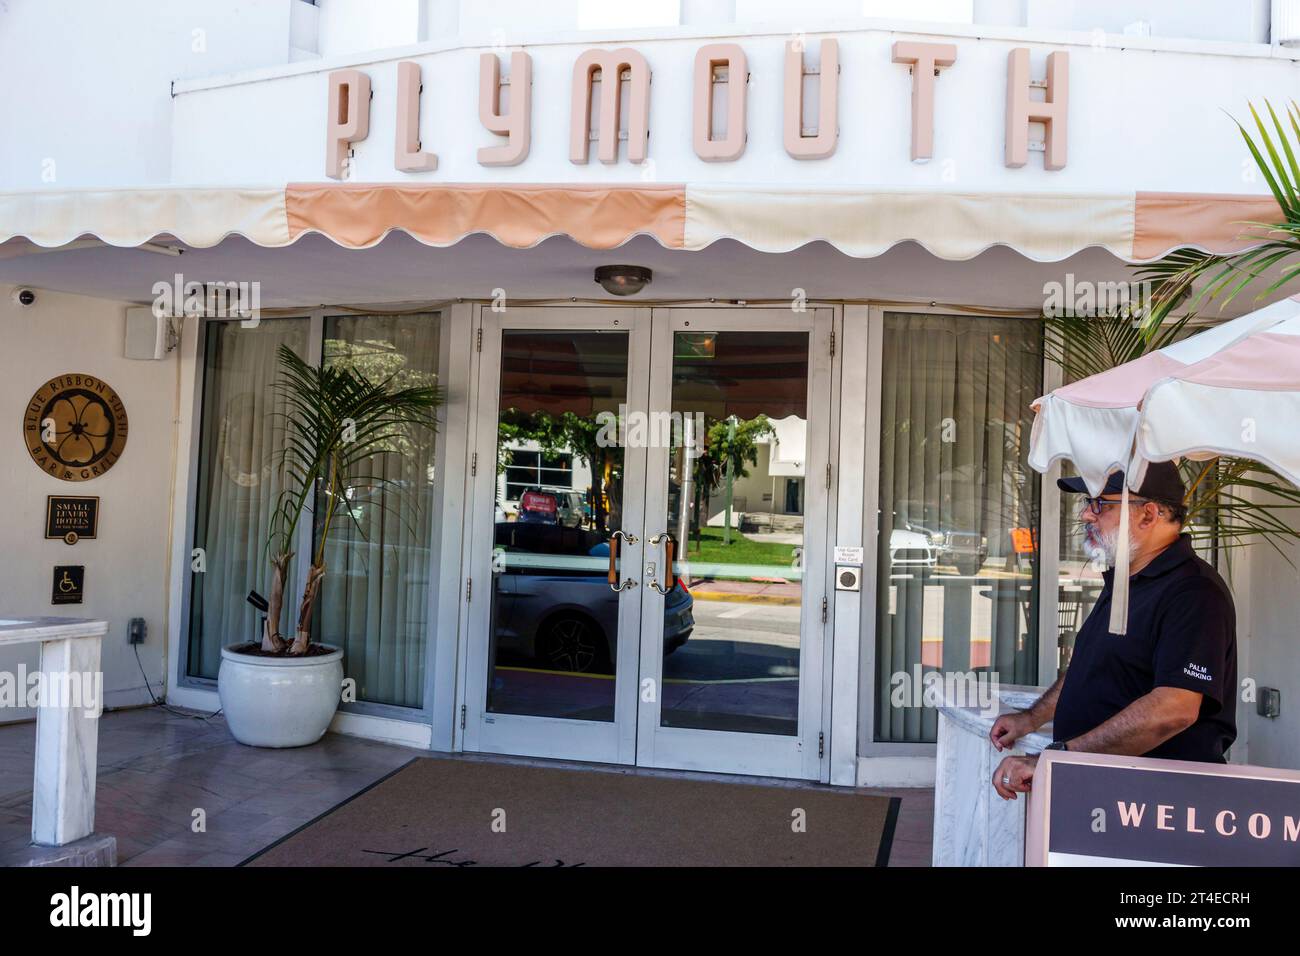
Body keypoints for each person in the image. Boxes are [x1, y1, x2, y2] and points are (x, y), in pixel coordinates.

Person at [988, 461, 1237, 800]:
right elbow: (1091, 667)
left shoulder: (1193, 592)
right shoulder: (1128, 580)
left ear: (1148, 515)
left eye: (1100, 504)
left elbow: (1173, 709)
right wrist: (1031, 719)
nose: (1086, 516)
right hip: (1102, 788)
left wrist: (1059, 758)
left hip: (1150, 805)